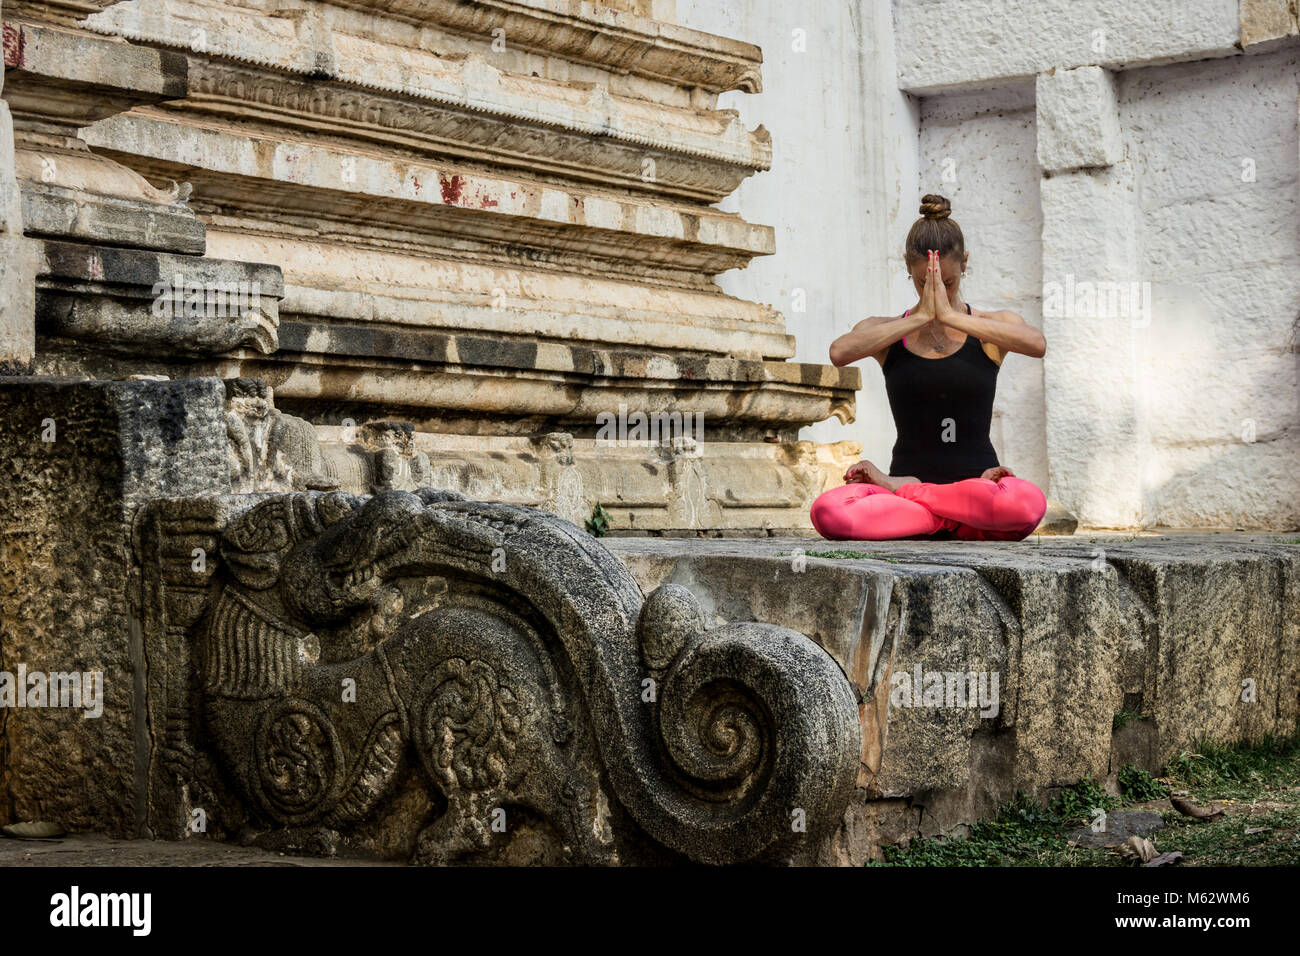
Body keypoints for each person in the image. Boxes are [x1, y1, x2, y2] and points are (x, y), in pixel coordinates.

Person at [812, 194, 1048, 541]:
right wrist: (919, 318)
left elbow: (1036, 344)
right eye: (923, 283)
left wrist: (953, 317)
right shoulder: (889, 331)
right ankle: (946, 518)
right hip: (913, 507)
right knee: (829, 512)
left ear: (965, 262)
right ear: (908, 268)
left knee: (1026, 504)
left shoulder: (991, 327)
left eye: (947, 283)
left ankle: (933, 507)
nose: (937, 290)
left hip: (977, 491)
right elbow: (839, 352)